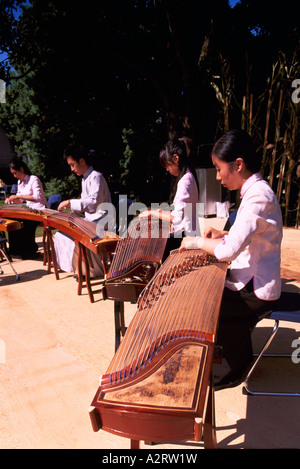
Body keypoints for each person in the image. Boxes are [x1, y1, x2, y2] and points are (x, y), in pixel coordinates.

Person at [179, 129, 283, 390]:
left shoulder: (258, 196)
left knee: (204, 301)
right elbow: (252, 234)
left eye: (218, 168)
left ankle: (232, 369)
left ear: (238, 164)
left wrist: (195, 242)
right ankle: (235, 356)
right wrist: (224, 233)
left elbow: (228, 252)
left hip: (257, 291)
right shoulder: (257, 192)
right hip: (254, 280)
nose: (217, 176)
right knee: (209, 292)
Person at [53, 143, 111, 277]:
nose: (71, 169)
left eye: (72, 165)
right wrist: (74, 214)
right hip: (92, 221)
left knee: (72, 236)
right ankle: (82, 270)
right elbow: (86, 205)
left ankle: (92, 271)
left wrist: (69, 202)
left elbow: (93, 204)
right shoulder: (85, 179)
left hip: (101, 224)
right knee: (61, 235)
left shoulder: (96, 176)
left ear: (82, 161)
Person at [140, 137, 199, 259]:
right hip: (188, 233)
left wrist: (153, 213)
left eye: (167, 165)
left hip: (184, 237)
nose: (167, 170)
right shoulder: (189, 176)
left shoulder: (185, 181)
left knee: (149, 249)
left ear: (176, 158)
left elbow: (177, 218)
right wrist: (160, 212)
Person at [5, 156, 49, 259]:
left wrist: (19, 196)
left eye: (15, 173)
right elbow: (19, 200)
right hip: (29, 209)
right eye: (13, 174)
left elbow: (37, 197)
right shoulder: (20, 182)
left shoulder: (33, 179)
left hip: (41, 209)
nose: (15, 176)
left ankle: (30, 251)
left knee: (26, 223)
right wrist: (12, 199)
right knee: (13, 220)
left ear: (21, 169)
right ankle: (15, 251)